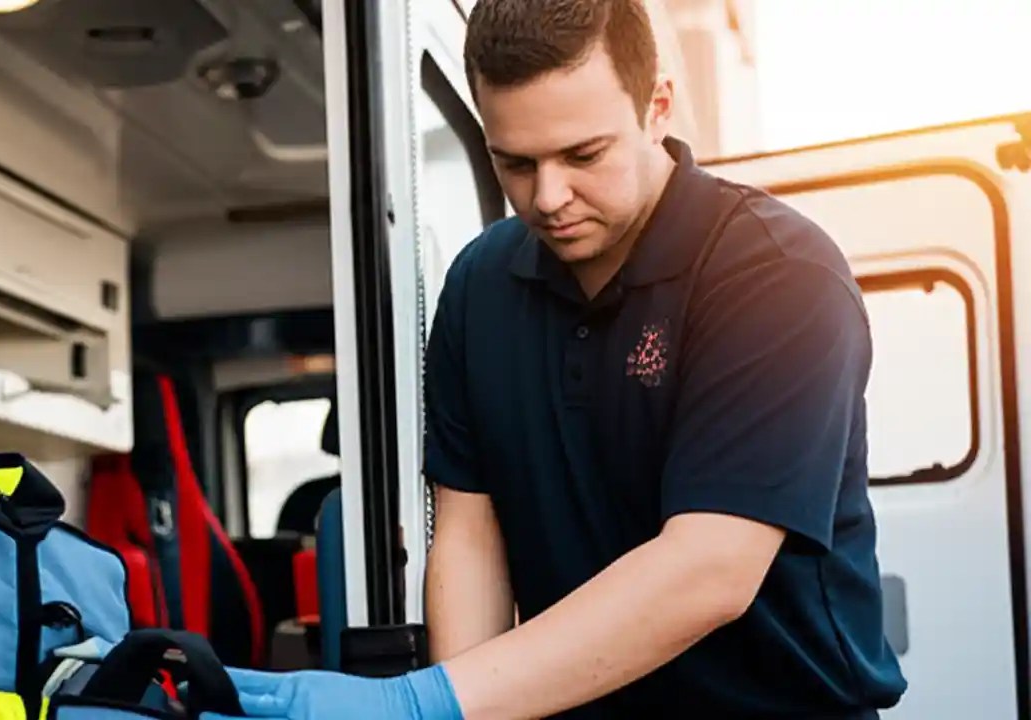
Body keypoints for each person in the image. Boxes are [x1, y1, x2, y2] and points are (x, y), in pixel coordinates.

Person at [204, 0, 908, 718]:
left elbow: (710, 568)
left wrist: (427, 702)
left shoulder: (774, 273)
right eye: (513, 161)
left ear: (657, 107)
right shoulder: (481, 286)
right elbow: (471, 534)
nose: (548, 197)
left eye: (583, 155)